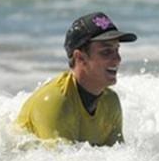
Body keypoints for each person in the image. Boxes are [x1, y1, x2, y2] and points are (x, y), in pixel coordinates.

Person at [16, 12, 137, 146]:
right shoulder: (56, 101)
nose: (117, 59)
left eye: (117, 50)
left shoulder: (110, 101)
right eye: (106, 52)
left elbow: (119, 159)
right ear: (80, 58)